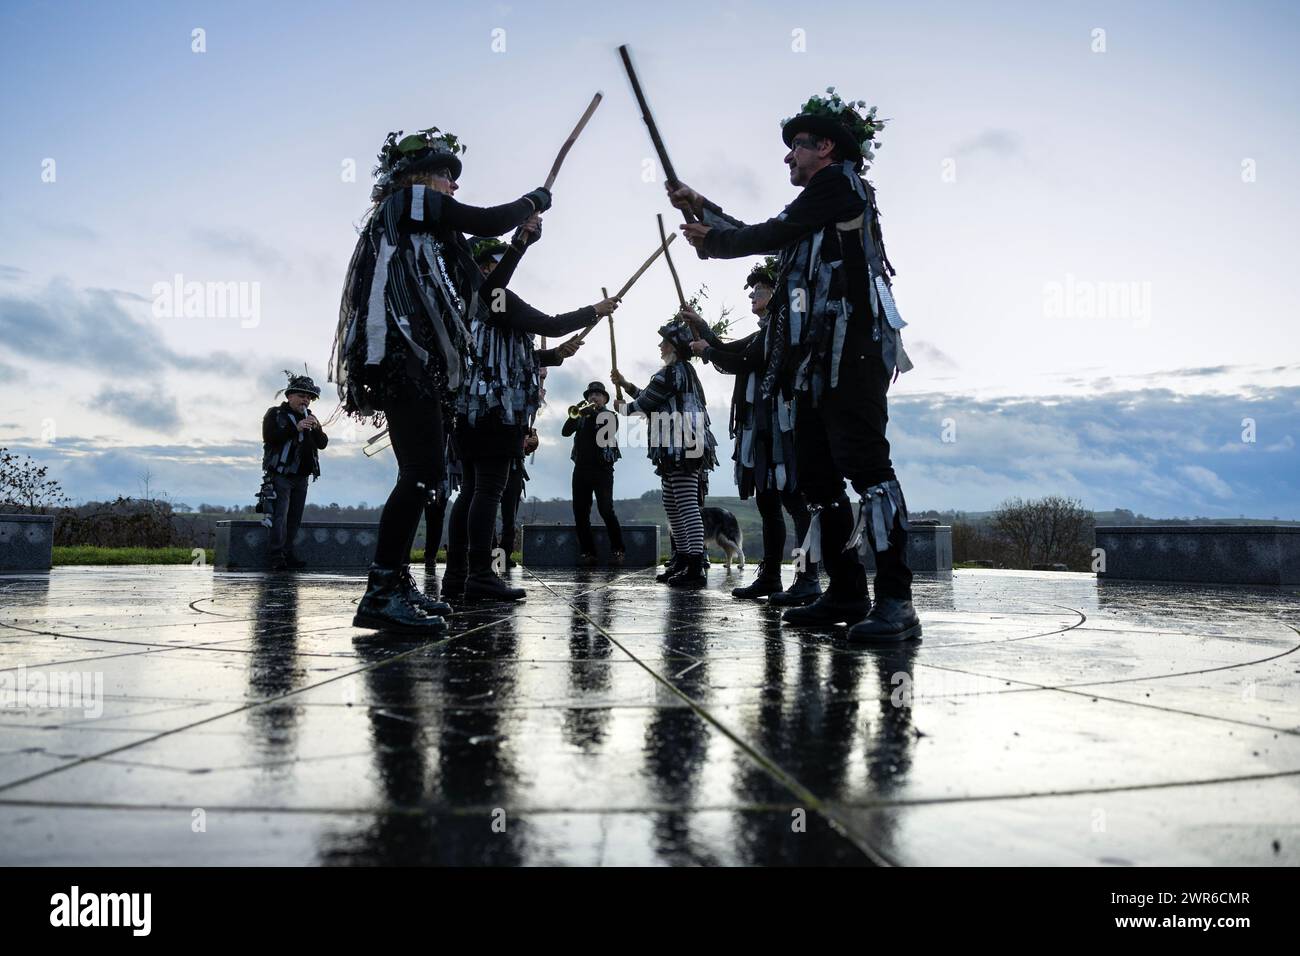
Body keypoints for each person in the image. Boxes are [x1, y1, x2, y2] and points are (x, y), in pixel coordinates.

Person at [668, 89, 921, 642]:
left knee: (866, 467)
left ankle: (897, 600)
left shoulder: (840, 184)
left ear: (826, 147)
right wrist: (699, 203)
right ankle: (848, 590)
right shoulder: (817, 211)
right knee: (817, 477)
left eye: (796, 147)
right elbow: (776, 231)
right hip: (812, 364)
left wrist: (715, 240)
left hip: (851, 350)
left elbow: (773, 230)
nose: (787, 158)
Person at [331, 125, 553, 633]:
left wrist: (519, 245)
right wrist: (534, 200)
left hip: (420, 361)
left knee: (424, 473)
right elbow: (486, 218)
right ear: (414, 176)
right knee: (423, 472)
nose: (453, 186)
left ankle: (389, 584)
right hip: (396, 353)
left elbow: (484, 295)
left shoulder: (432, 231)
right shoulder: (404, 203)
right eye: (445, 176)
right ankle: (382, 589)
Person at [442, 213, 618, 602]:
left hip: (469, 413)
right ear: (486, 267)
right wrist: (595, 309)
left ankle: (456, 577)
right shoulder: (496, 296)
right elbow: (551, 323)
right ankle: (481, 576)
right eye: (493, 262)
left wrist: (556, 355)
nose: (498, 268)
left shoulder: (466, 302)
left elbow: (512, 351)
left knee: (471, 490)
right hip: (495, 412)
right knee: (487, 490)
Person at [684, 259, 820, 605]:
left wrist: (707, 349)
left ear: (776, 293)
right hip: (762, 431)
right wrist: (702, 327)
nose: (751, 297)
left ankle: (807, 578)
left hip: (781, 429)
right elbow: (733, 350)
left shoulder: (784, 326)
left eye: (758, 291)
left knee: (794, 502)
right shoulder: (766, 331)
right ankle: (771, 576)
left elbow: (745, 360)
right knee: (768, 502)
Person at [612, 320, 718, 588]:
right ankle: (684, 560)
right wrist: (625, 385)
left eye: (664, 342)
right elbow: (653, 397)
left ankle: (694, 566)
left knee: (685, 504)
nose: (660, 346)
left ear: (674, 346)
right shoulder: (683, 372)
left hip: (680, 444)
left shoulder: (670, 373)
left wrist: (623, 409)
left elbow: (644, 404)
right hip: (682, 444)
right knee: (674, 503)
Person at [261, 372, 328, 572]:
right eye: (301, 395)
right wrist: (296, 428)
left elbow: (322, 444)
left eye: (309, 397)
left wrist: (315, 429)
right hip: (281, 475)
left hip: (302, 477)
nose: (305, 400)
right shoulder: (274, 414)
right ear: (289, 396)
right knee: (279, 517)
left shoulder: (311, 417)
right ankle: (276, 556)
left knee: (294, 518)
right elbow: (270, 438)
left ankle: (288, 554)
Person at [561, 382, 625, 566]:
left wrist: (593, 413)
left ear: (605, 399)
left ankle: (618, 549)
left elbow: (608, 431)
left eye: (597, 394)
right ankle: (588, 552)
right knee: (580, 512)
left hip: (602, 469)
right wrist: (576, 416)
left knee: (606, 510)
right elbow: (565, 432)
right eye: (590, 395)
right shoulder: (581, 415)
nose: (593, 397)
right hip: (580, 468)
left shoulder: (609, 415)